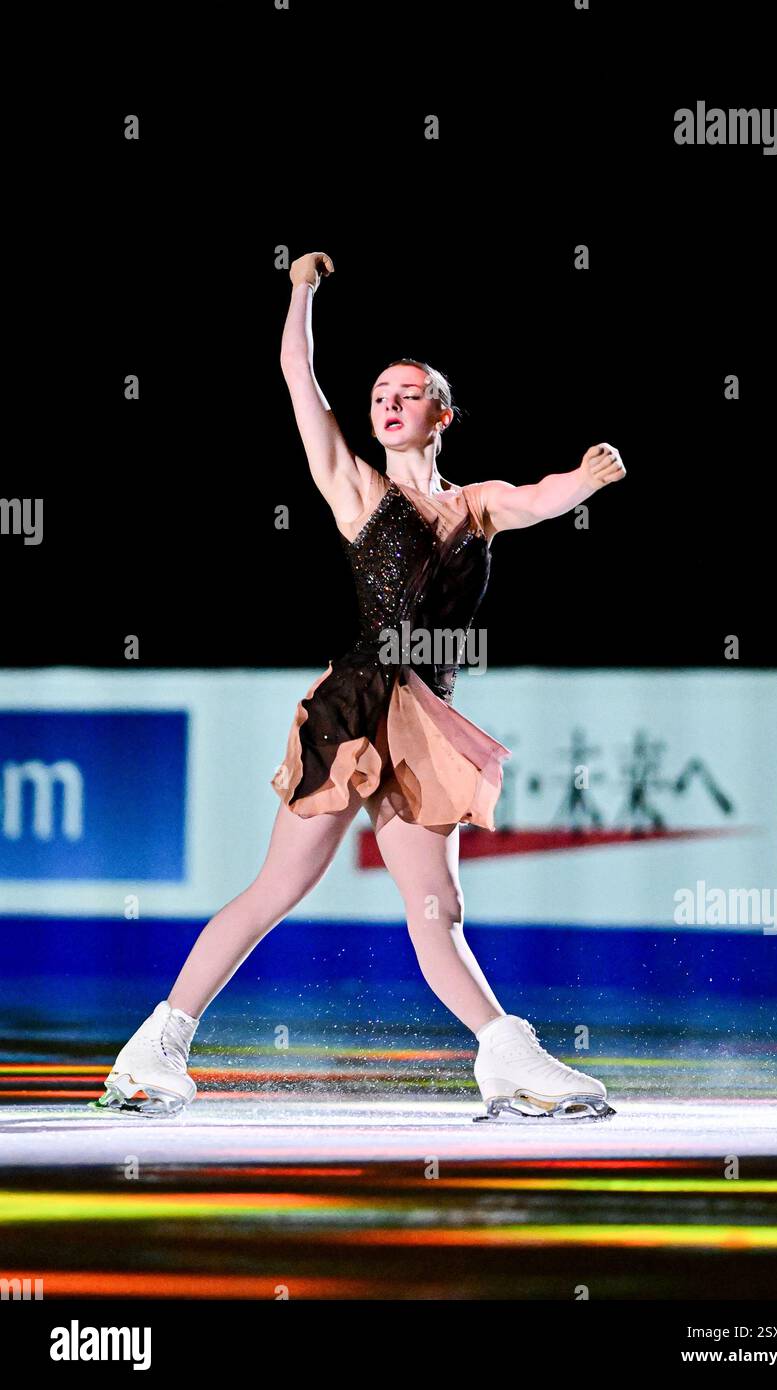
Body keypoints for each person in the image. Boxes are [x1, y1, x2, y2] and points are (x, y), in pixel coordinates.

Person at [94, 252, 626, 1122]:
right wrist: (302, 291)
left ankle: (506, 1061)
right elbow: (296, 374)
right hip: (353, 710)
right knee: (276, 889)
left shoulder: (477, 503)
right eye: (381, 391)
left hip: (424, 720)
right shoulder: (356, 491)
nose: (389, 400)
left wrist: (586, 478)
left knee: (438, 907)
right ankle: (155, 1049)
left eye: (408, 392)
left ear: (442, 414)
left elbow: (543, 494)